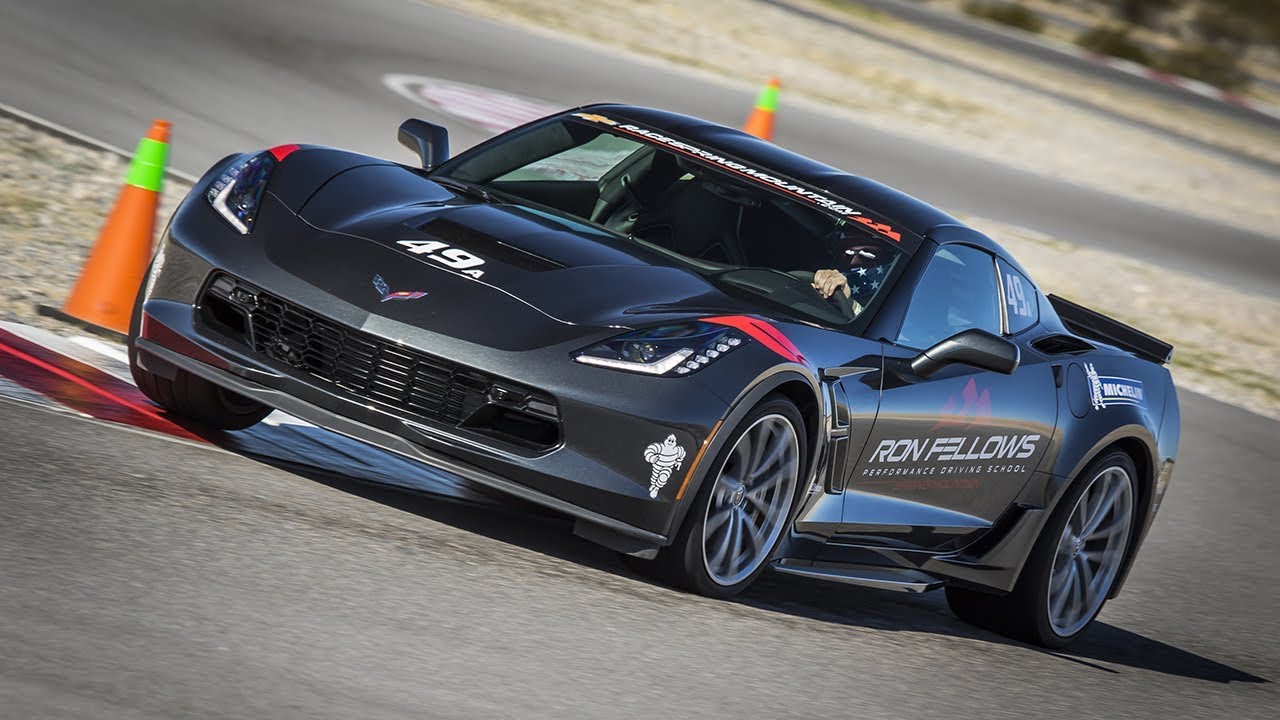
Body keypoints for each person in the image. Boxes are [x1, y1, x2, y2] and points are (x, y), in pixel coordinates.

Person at [810, 243, 889, 316]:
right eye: (847, 253)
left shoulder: (892, 301)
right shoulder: (814, 272)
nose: (853, 261)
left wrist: (849, 303)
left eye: (866, 255)